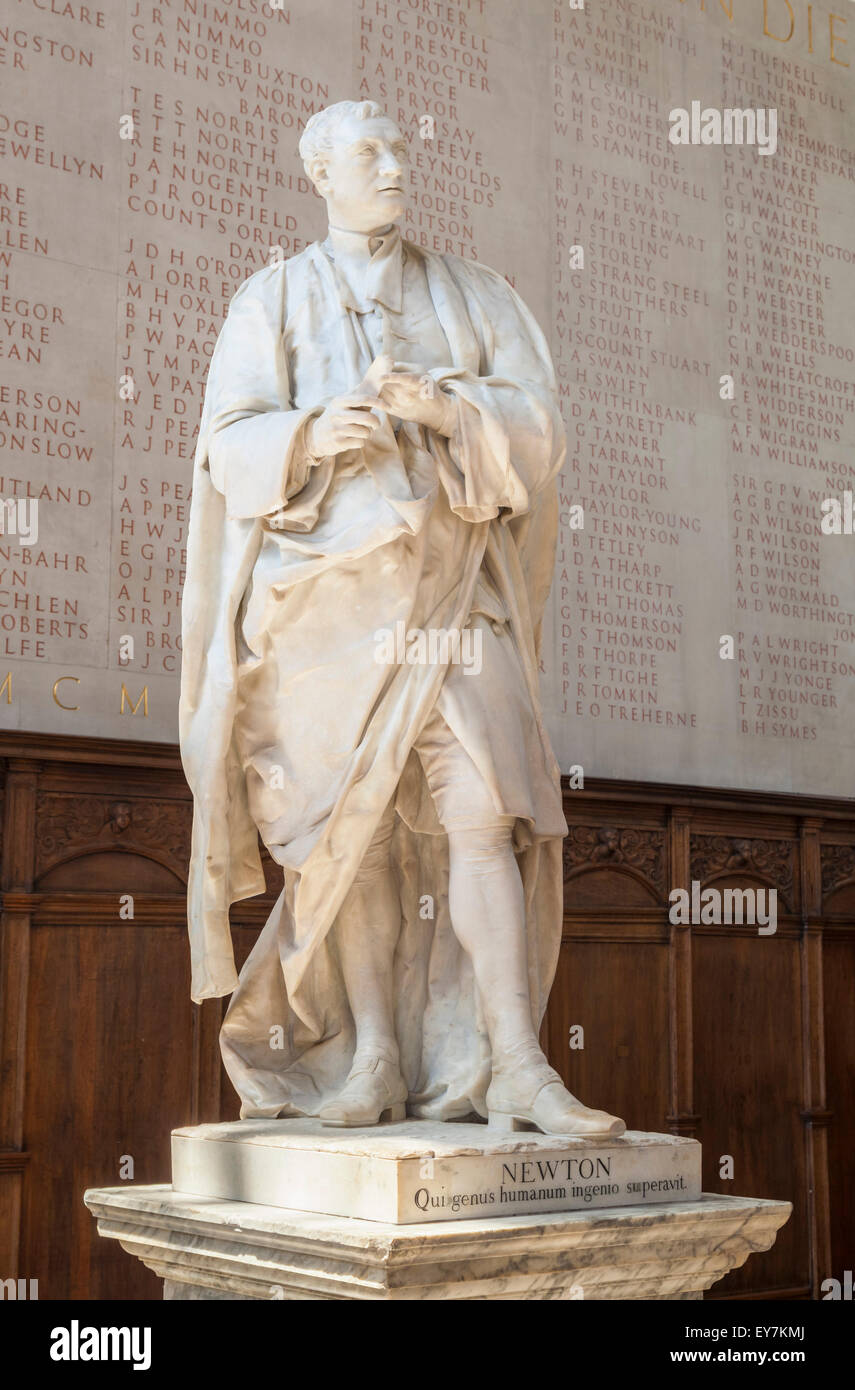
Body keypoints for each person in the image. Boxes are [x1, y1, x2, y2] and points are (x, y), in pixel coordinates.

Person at [180, 99, 625, 1138]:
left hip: (453, 597)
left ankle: (516, 1062)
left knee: (484, 811)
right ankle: (373, 1054)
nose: (392, 166)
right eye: (368, 153)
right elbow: (227, 444)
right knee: (355, 831)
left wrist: (446, 409)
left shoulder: (476, 296)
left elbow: (541, 430)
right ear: (319, 173)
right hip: (323, 614)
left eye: (399, 149)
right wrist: (306, 434)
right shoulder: (272, 300)